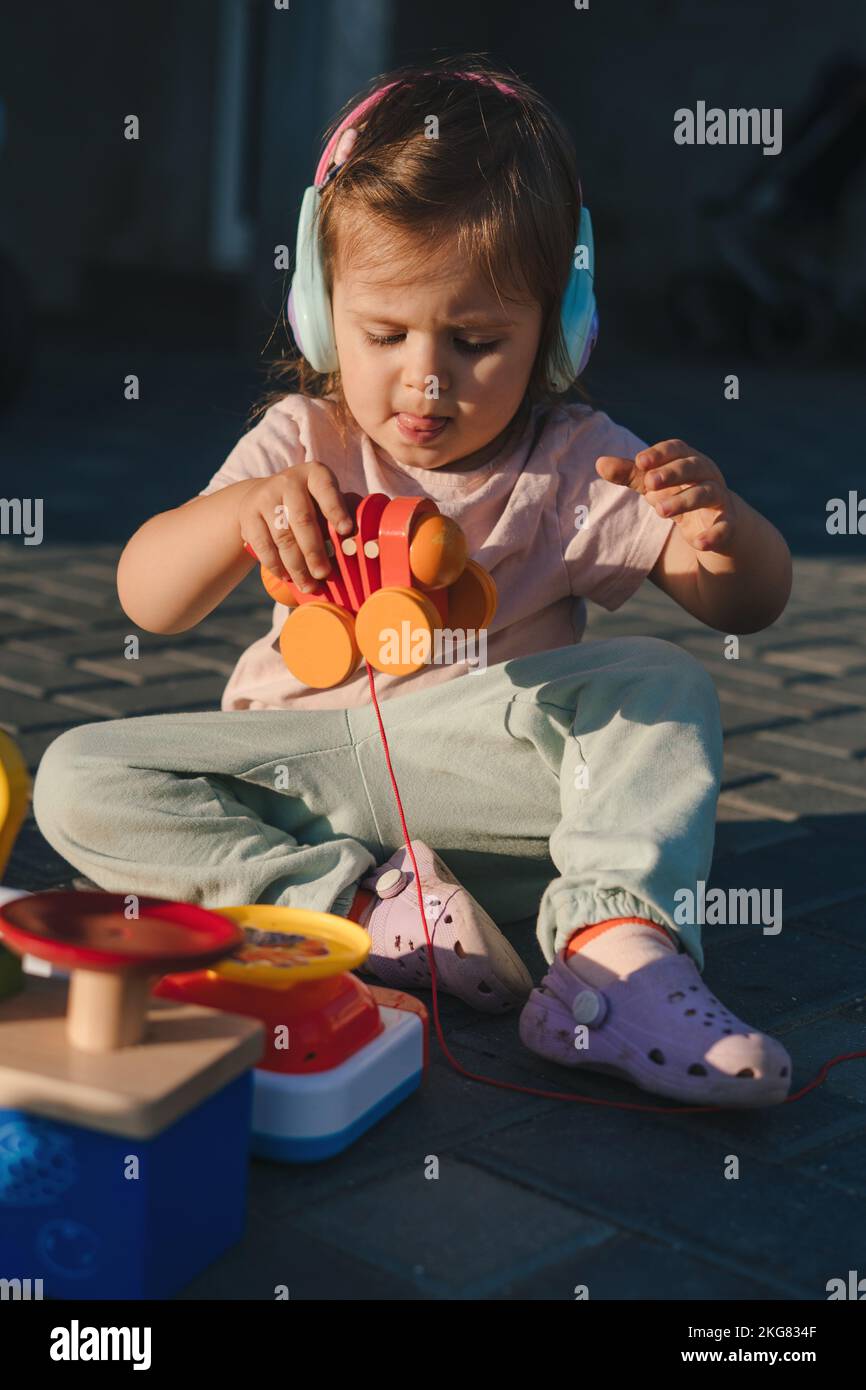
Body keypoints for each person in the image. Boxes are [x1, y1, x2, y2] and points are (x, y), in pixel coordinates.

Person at [33, 59, 794, 1108]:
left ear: (559, 327)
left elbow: (744, 605)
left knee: (661, 680)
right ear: (316, 309)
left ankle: (609, 957)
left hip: (488, 790)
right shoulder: (304, 436)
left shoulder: (571, 459)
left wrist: (724, 536)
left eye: (476, 341)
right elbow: (147, 598)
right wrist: (231, 517)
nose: (425, 379)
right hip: (302, 787)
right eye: (383, 335)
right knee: (79, 773)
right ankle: (349, 911)